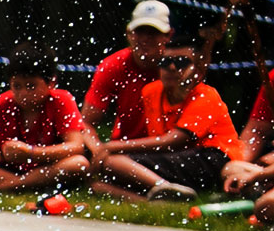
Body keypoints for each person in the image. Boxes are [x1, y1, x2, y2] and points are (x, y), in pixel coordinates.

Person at [95, 46, 239, 199]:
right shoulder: (151, 92)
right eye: (165, 62)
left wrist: (113, 147)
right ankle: (155, 200)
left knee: (114, 162)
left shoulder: (206, 95)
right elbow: (161, 144)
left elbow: (173, 141)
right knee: (99, 184)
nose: (171, 67)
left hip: (212, 158)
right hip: (175, 158)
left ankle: (163, 187)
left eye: (182, 62)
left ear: (197, 70)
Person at [0, 51, 96, 195]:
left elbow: (76, 146)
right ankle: (30, 184)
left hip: (47, 167)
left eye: (31, 86)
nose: (23, 93)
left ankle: (0, 187)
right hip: (9, 170)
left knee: (78, 163)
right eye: (17, 86)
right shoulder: (3, 102)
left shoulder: (62, 100)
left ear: (51, 83)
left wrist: (31, 153)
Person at [85, 0, 174, 146]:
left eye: (153, 32)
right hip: (125, 150)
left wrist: (109, 149)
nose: (145, 38)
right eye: (140, 31)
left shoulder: (177, 68)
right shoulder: (112, 65)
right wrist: (98, 150)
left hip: (165, 151)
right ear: (128, 33)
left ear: (168, 35)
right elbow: (86, 124)